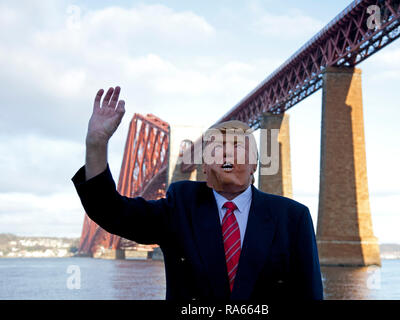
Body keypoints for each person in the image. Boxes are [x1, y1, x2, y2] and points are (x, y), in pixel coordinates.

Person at [71, 86, 323, 300]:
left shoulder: (293, 218)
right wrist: (96, 144)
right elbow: (110, 211)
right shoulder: (179, 206)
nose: (226, 154)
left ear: (256, 162)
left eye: (237, 146)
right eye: (217, 148)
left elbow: (310, 293)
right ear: (204, 165)